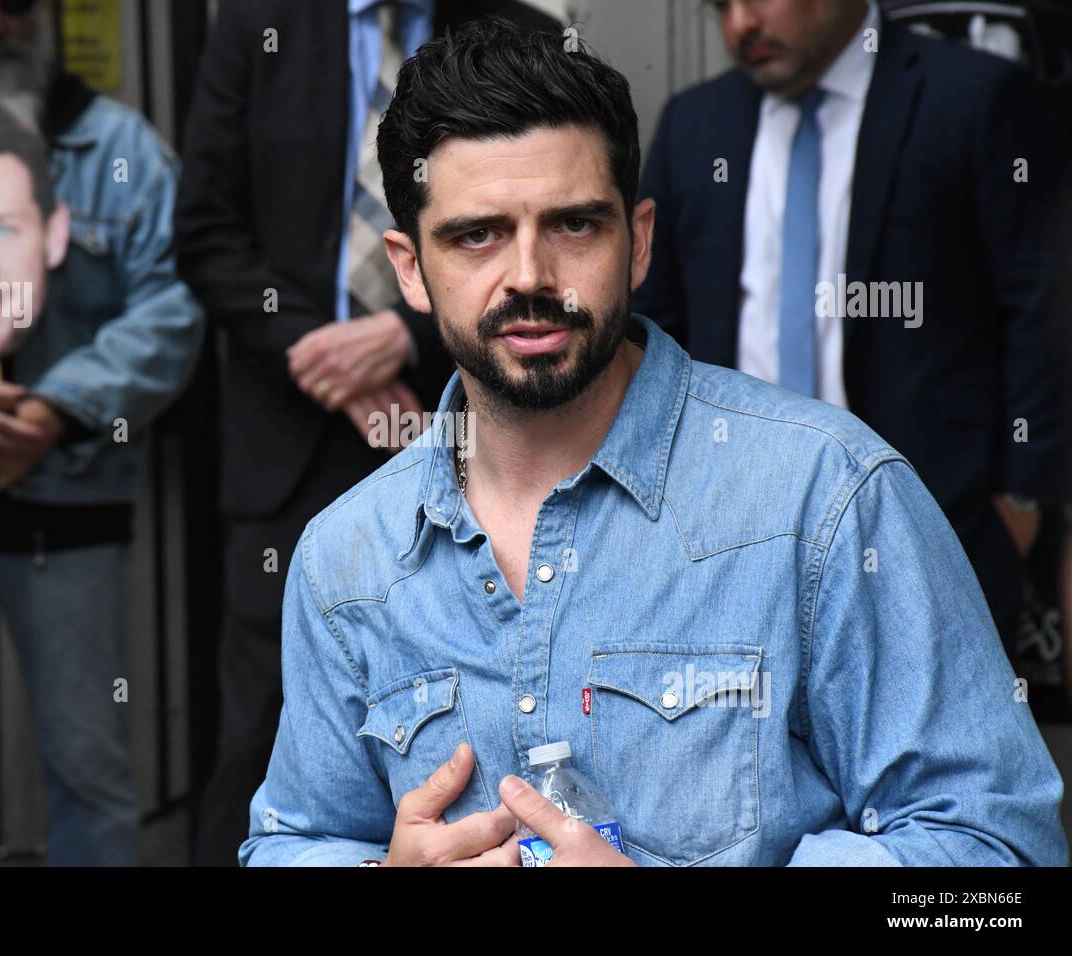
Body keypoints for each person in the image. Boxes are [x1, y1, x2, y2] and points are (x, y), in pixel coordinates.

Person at [238, 17, 1067, 867]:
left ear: (637, 243)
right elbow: (293, 842)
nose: (528, 275)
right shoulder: (347, 557)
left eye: (572, 225)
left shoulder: (826, 499)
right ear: (409, 267)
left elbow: (998, 858)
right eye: (476, 234)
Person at [174, 0, 560, 865]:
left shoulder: (519, 31)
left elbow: (544, 237)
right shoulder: (256, 26)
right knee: (255, 744)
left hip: (467, 434)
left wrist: (405, 336)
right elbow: (204, 231)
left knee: (475, 731)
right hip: (287, 448)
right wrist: (321, 354)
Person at [632, 0, 1072, 652]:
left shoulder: (973, 99)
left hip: (932, 536)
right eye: (719, 6)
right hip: (734, 548)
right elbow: (651, 330)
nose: (739, 25)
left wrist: (1023, 505)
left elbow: (1043, 310)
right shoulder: (697, 124)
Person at [0, 0, 204, 866]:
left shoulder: (124, 152)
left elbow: (176, 302)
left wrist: (52, 412)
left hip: (69, 521)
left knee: (88, 773)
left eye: (18, 5)